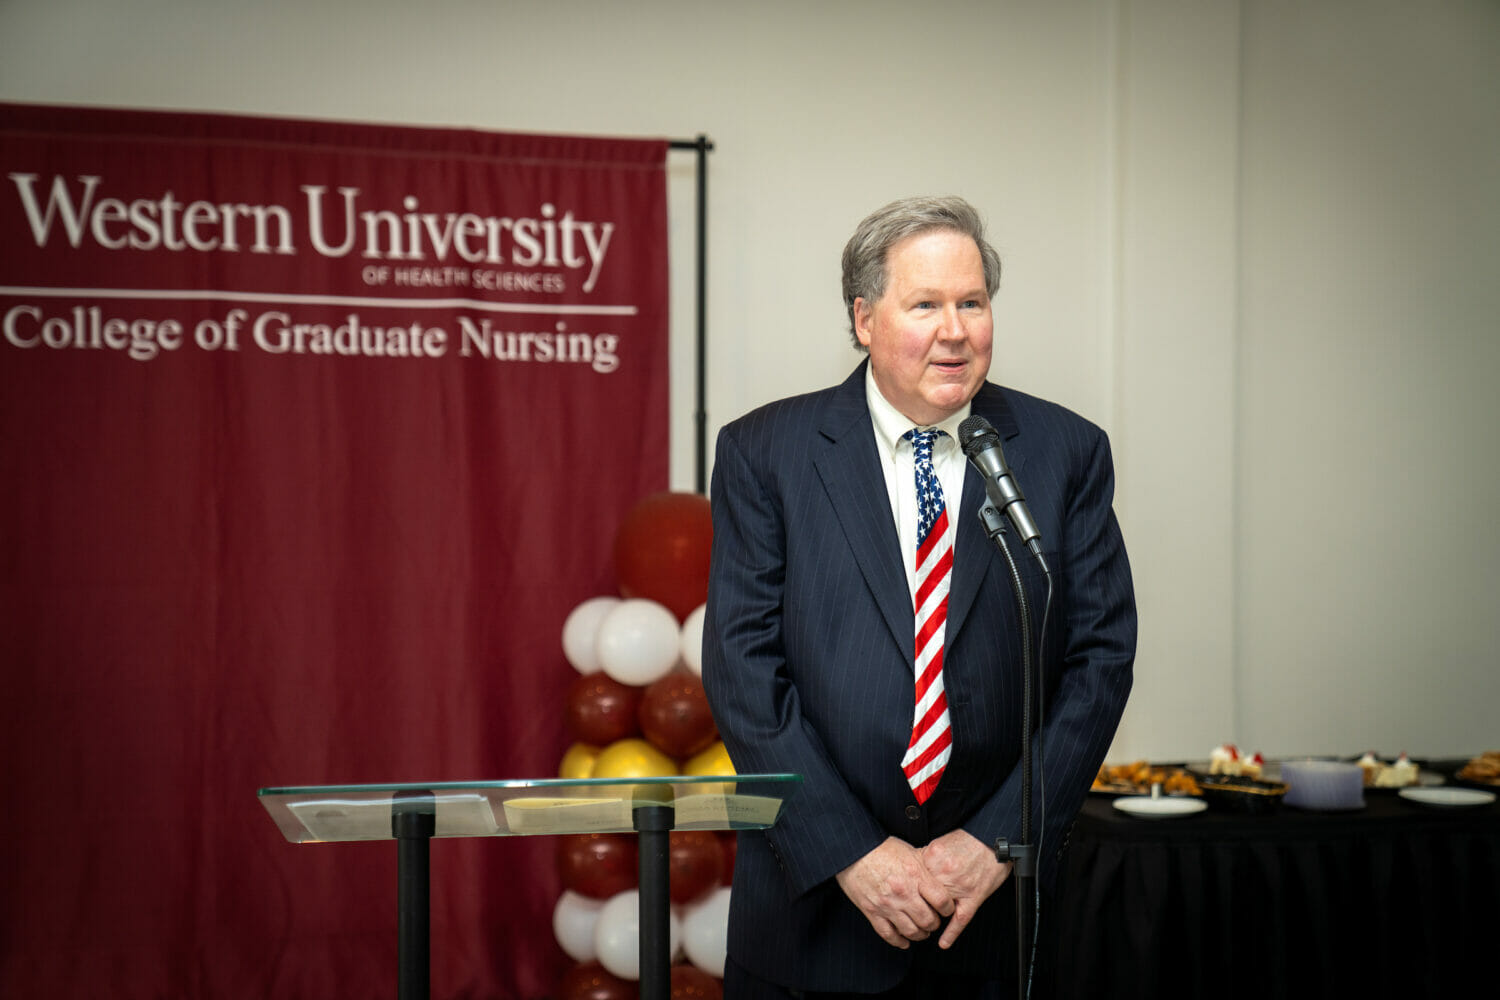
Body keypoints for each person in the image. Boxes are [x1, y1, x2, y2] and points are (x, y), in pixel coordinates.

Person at [700, 196, 1136, 998]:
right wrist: (853, 855)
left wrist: (997, 841)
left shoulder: (1065, 452)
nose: (956, 330)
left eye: (973, 302)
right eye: (926, 304)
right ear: (864, 318)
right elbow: (742, 671)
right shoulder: (767, 453)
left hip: (992, 924)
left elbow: (1100, 661)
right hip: (814, 916)